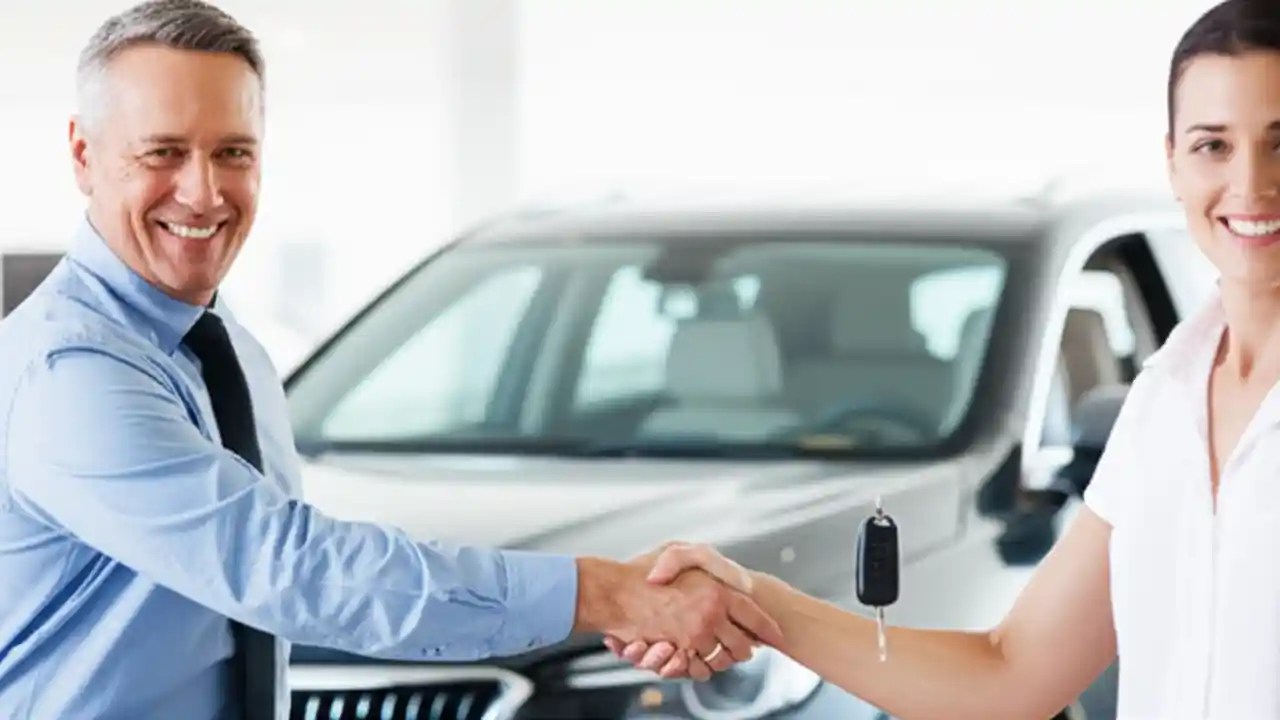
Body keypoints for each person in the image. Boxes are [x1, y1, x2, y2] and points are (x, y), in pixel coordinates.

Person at [0, 2, 782, 719]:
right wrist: (612, 593)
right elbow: (292, 570)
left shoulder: (223, 345)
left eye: (233, 152)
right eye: (163, 152)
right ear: (83, 153)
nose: (203, 193)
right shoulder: (71, 372)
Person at [609, 1, 1280, 717]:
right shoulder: (1162, 403)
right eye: (1214, 145)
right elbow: (1011, 673)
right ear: (1173, 161)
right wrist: (756, 600)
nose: (1250, 184)